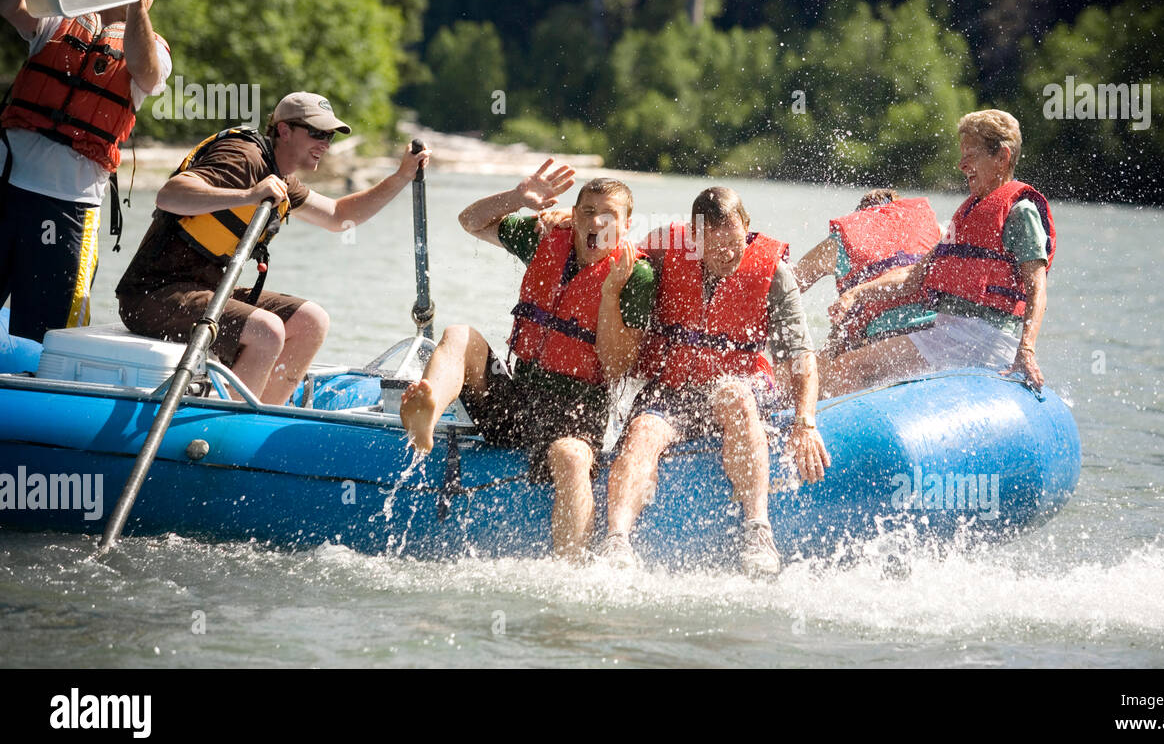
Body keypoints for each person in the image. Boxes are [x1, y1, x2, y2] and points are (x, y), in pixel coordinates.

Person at [399, 163, 657, 561]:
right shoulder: (546, 239)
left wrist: (610, 292)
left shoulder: (636, 276)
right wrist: (518, 199)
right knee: (459, 334)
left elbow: (617, 365)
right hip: (517, 400)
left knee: (571, 458)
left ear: (625, 225)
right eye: (587, 212)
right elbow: (470, 220)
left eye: (608, 215)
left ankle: (569, 573)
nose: (596, 222)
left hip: (576, 410)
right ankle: (425, 413)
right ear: (573, 216)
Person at [116, 92, 431, 405]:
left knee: (311, 321)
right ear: (284, 130)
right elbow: (169, 194)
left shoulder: (282, 178)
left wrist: (402, 175)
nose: (325, 143)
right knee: (267, 331)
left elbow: (339, 216)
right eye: (317, 133)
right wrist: (249, 195)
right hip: (150, 295)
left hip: (205, 292)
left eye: (330, 136)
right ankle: (225, 428)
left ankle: (264, 417)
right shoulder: (242, 157)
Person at [597, 187, 830, 577]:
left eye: (734, 243)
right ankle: (616, 540)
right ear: (693, 237)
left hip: (741, 382)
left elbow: (801, 355)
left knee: (733, 394)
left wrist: (805, 422)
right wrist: (569, 222)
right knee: (642, 431)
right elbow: (607, 247)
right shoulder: (665, 248)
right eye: (714, 246)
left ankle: (758, 530)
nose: (726, 255)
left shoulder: (775, 273)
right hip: (673, 389)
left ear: (747, 228)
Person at [819, 109, 1056, 395]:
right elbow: (913, 276)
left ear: (1002, 157)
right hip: (949, 335)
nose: (961, 164)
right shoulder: (968, 214)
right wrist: (857, 293)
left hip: (982, 339)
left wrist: (1026, 349)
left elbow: (1037, 287)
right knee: (850, 363)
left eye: (971, 155)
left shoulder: (1021, 212)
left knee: (849, 367)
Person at [0, 0, 170, 341]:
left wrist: (135, 5)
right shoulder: (58, 18)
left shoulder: (154, 49)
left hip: (68, 210)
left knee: (49, 332)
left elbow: (144, 71)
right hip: (6, 188)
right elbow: (8, 5)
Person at [793, 187, 941, 359]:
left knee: (839, 331)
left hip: (879, 341)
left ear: (860, 216)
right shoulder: (934, 230)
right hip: (936, 330)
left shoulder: (838, 243)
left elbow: (792, 283)